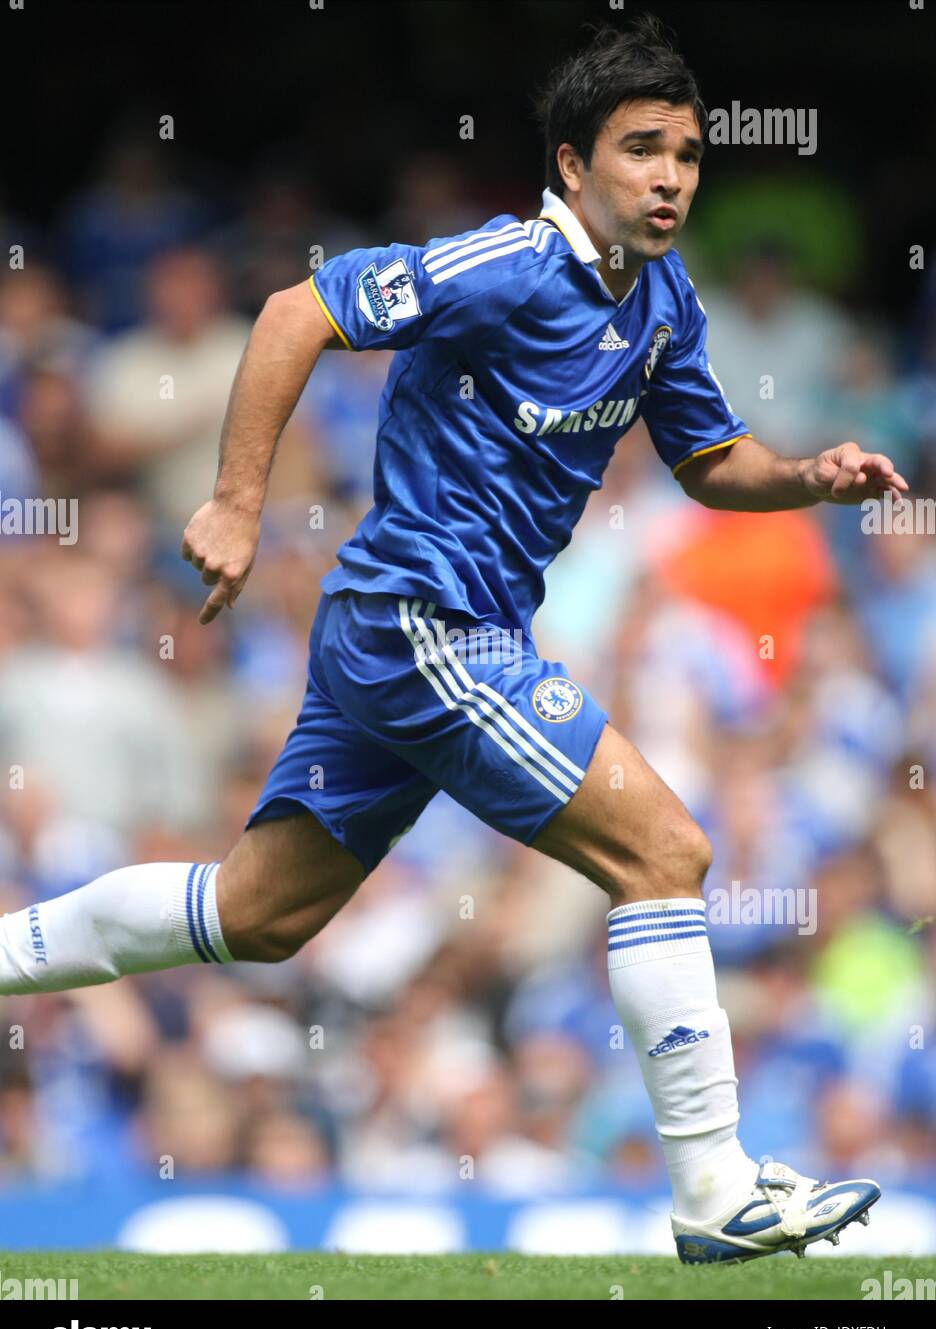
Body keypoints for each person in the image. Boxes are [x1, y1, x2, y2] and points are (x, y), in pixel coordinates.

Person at [1, 16, 902, 1263]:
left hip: (415, 635)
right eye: (642, 150)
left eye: (689, 155)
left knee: (258, 914)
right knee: (665, 850)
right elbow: (290, 313)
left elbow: (708, 463)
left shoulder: (663, 303)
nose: (672, 177)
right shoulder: (506, 264)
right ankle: (712, 1190)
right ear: (572, 166)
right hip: (421, 620)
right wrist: (238, 499)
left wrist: (812, 475)